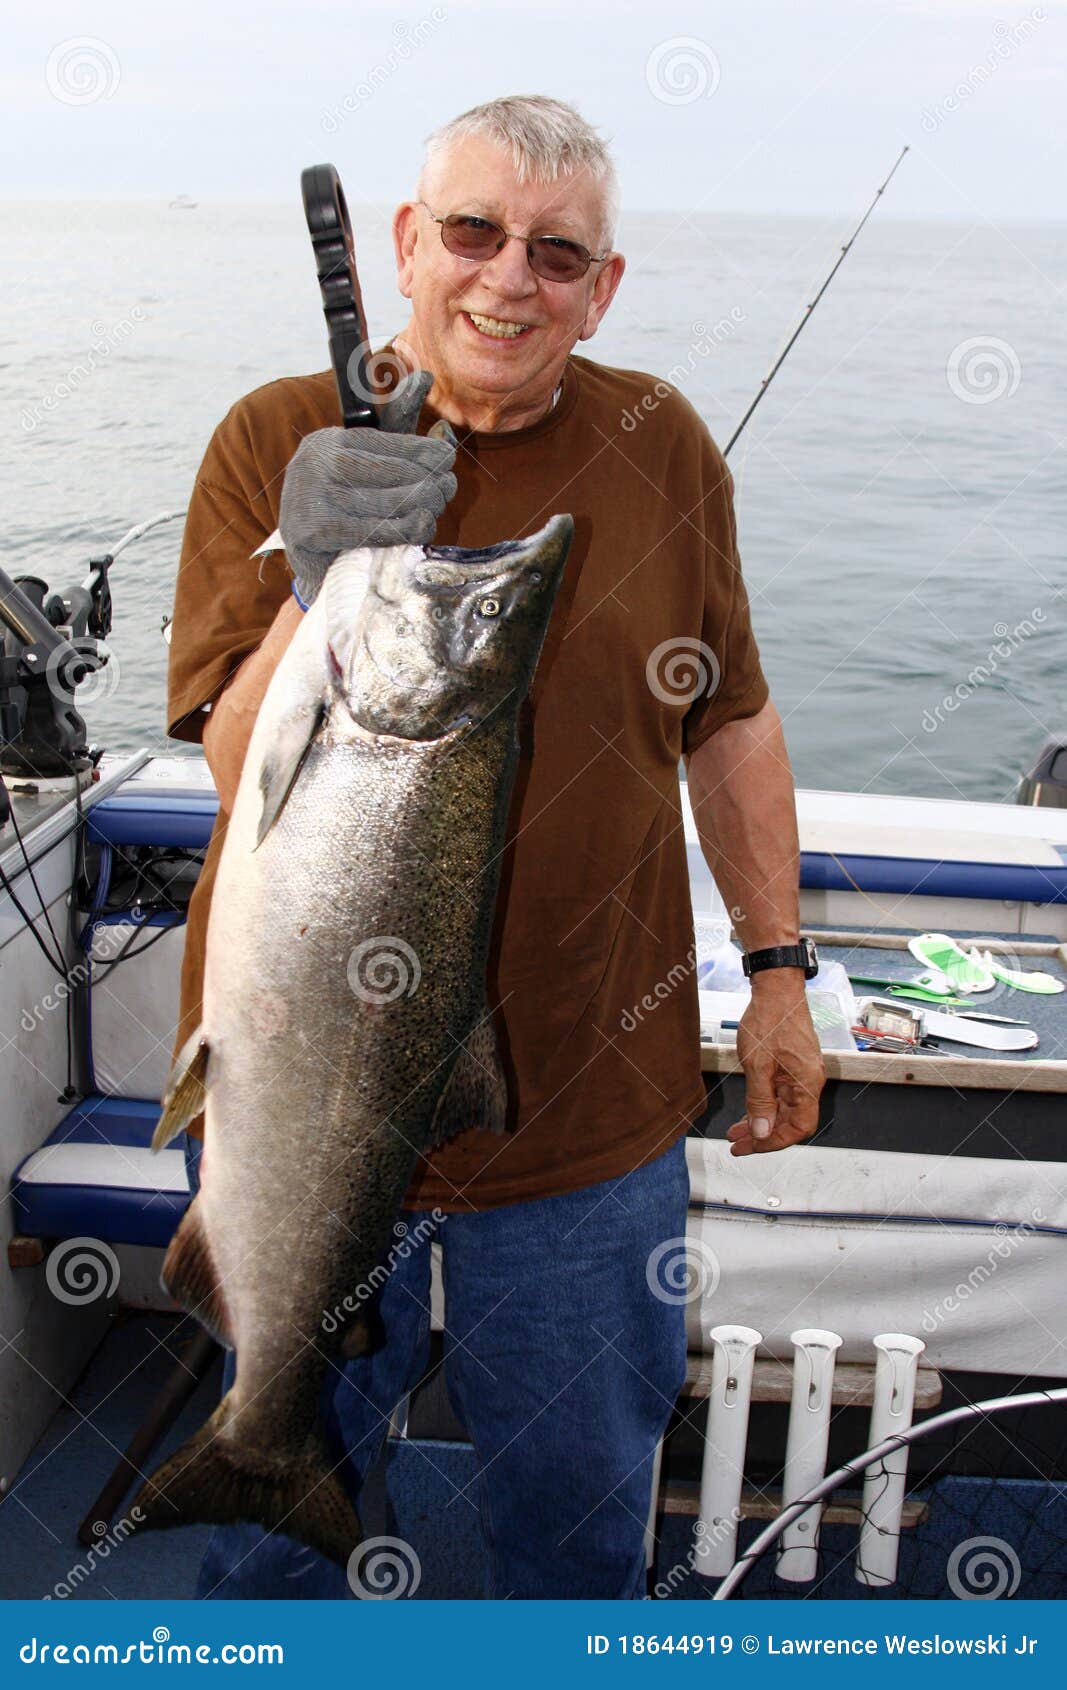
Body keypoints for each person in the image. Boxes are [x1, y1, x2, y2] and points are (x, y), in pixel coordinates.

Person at [166, 94, 824, 1600]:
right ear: (405, 244)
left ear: (603, 285)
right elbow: (225, 751)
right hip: (300, 1110)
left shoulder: (661, 445)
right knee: (272, 1559)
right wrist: (311, 572)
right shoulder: (276, 437)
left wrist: (779, 969)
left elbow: (731, 727)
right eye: (471, 231)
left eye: (556, 250)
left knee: (582, 1525)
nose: (507, 278)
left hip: (589, 1122)